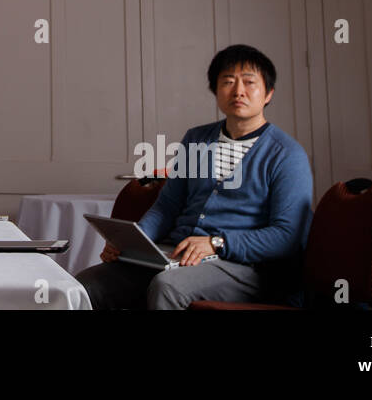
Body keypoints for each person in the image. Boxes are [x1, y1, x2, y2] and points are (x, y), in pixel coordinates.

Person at [76, 45, 313, 309]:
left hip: (247, 268)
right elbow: (167, 206)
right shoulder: (196, 139)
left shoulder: (287, 154)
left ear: (268, 93)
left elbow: (286, 236)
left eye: (249, 82)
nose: (238, 91)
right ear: (215, 90)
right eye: (227, 82)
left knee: (169, 286)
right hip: (177, 255)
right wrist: (130, 244)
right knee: (88, 284)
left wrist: (217, 243)